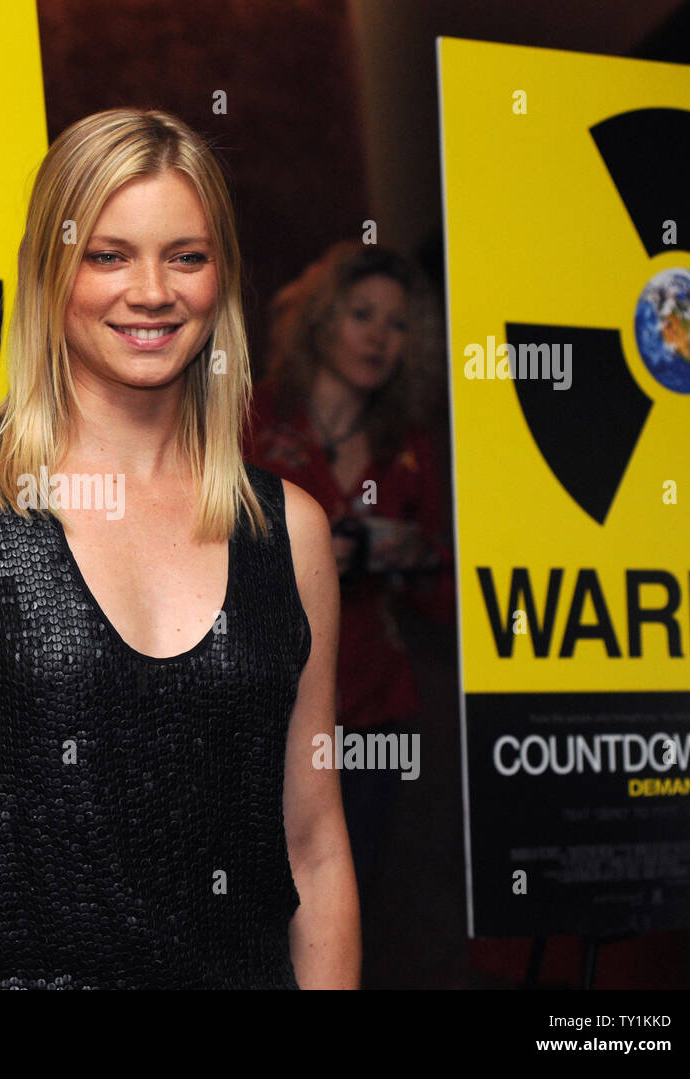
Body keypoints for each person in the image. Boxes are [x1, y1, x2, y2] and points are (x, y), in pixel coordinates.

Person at [0, 108, 359, 989]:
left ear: (221, 278)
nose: (151, 291)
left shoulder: (291, 530)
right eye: (108, 255)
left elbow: (312, 846)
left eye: (186, 256)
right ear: (51, 271)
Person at [246, 241, 454, 909]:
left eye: (398, 325)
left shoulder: (409, 447)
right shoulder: (251, 420)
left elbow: (449, 603)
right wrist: (295, 556)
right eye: (362, 314)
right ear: (321, 319)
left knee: (345, 901)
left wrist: (414, 558)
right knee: (250, 907)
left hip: (371, 708)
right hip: (258, 698)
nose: (380, 338)